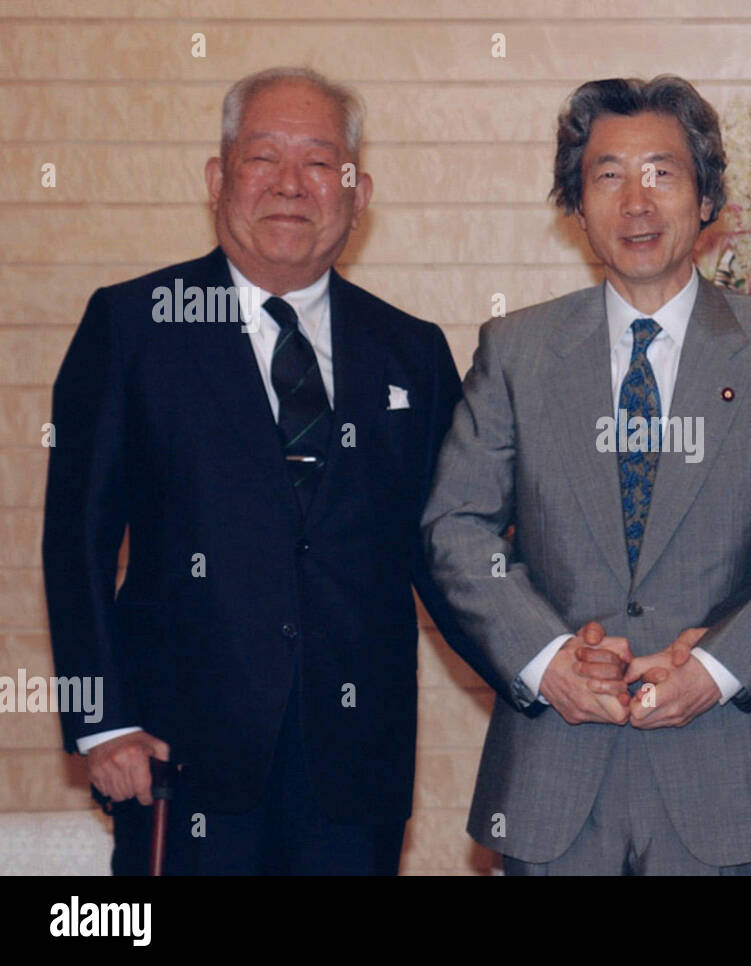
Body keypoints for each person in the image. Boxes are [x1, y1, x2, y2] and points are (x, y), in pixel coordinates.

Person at [42, 66, 491, 874]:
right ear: (219, 178)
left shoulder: (412, 352)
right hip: (175, 765)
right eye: (263, 157)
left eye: (321, 162)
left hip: (356, 774)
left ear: (358, 194)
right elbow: (74, 543)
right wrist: (102, 722)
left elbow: (451, 549)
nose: (292, 184)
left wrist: (546, 669)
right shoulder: (134, 326)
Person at [422, 75, 751, 875]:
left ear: (707, 200)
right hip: (557, 773)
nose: (637, 201)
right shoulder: (516, 352)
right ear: (577, 204)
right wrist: (546, 658)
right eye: (608, 176)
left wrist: (718, 665)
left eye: (663, 174)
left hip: (728, 768)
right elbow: (456, 528)